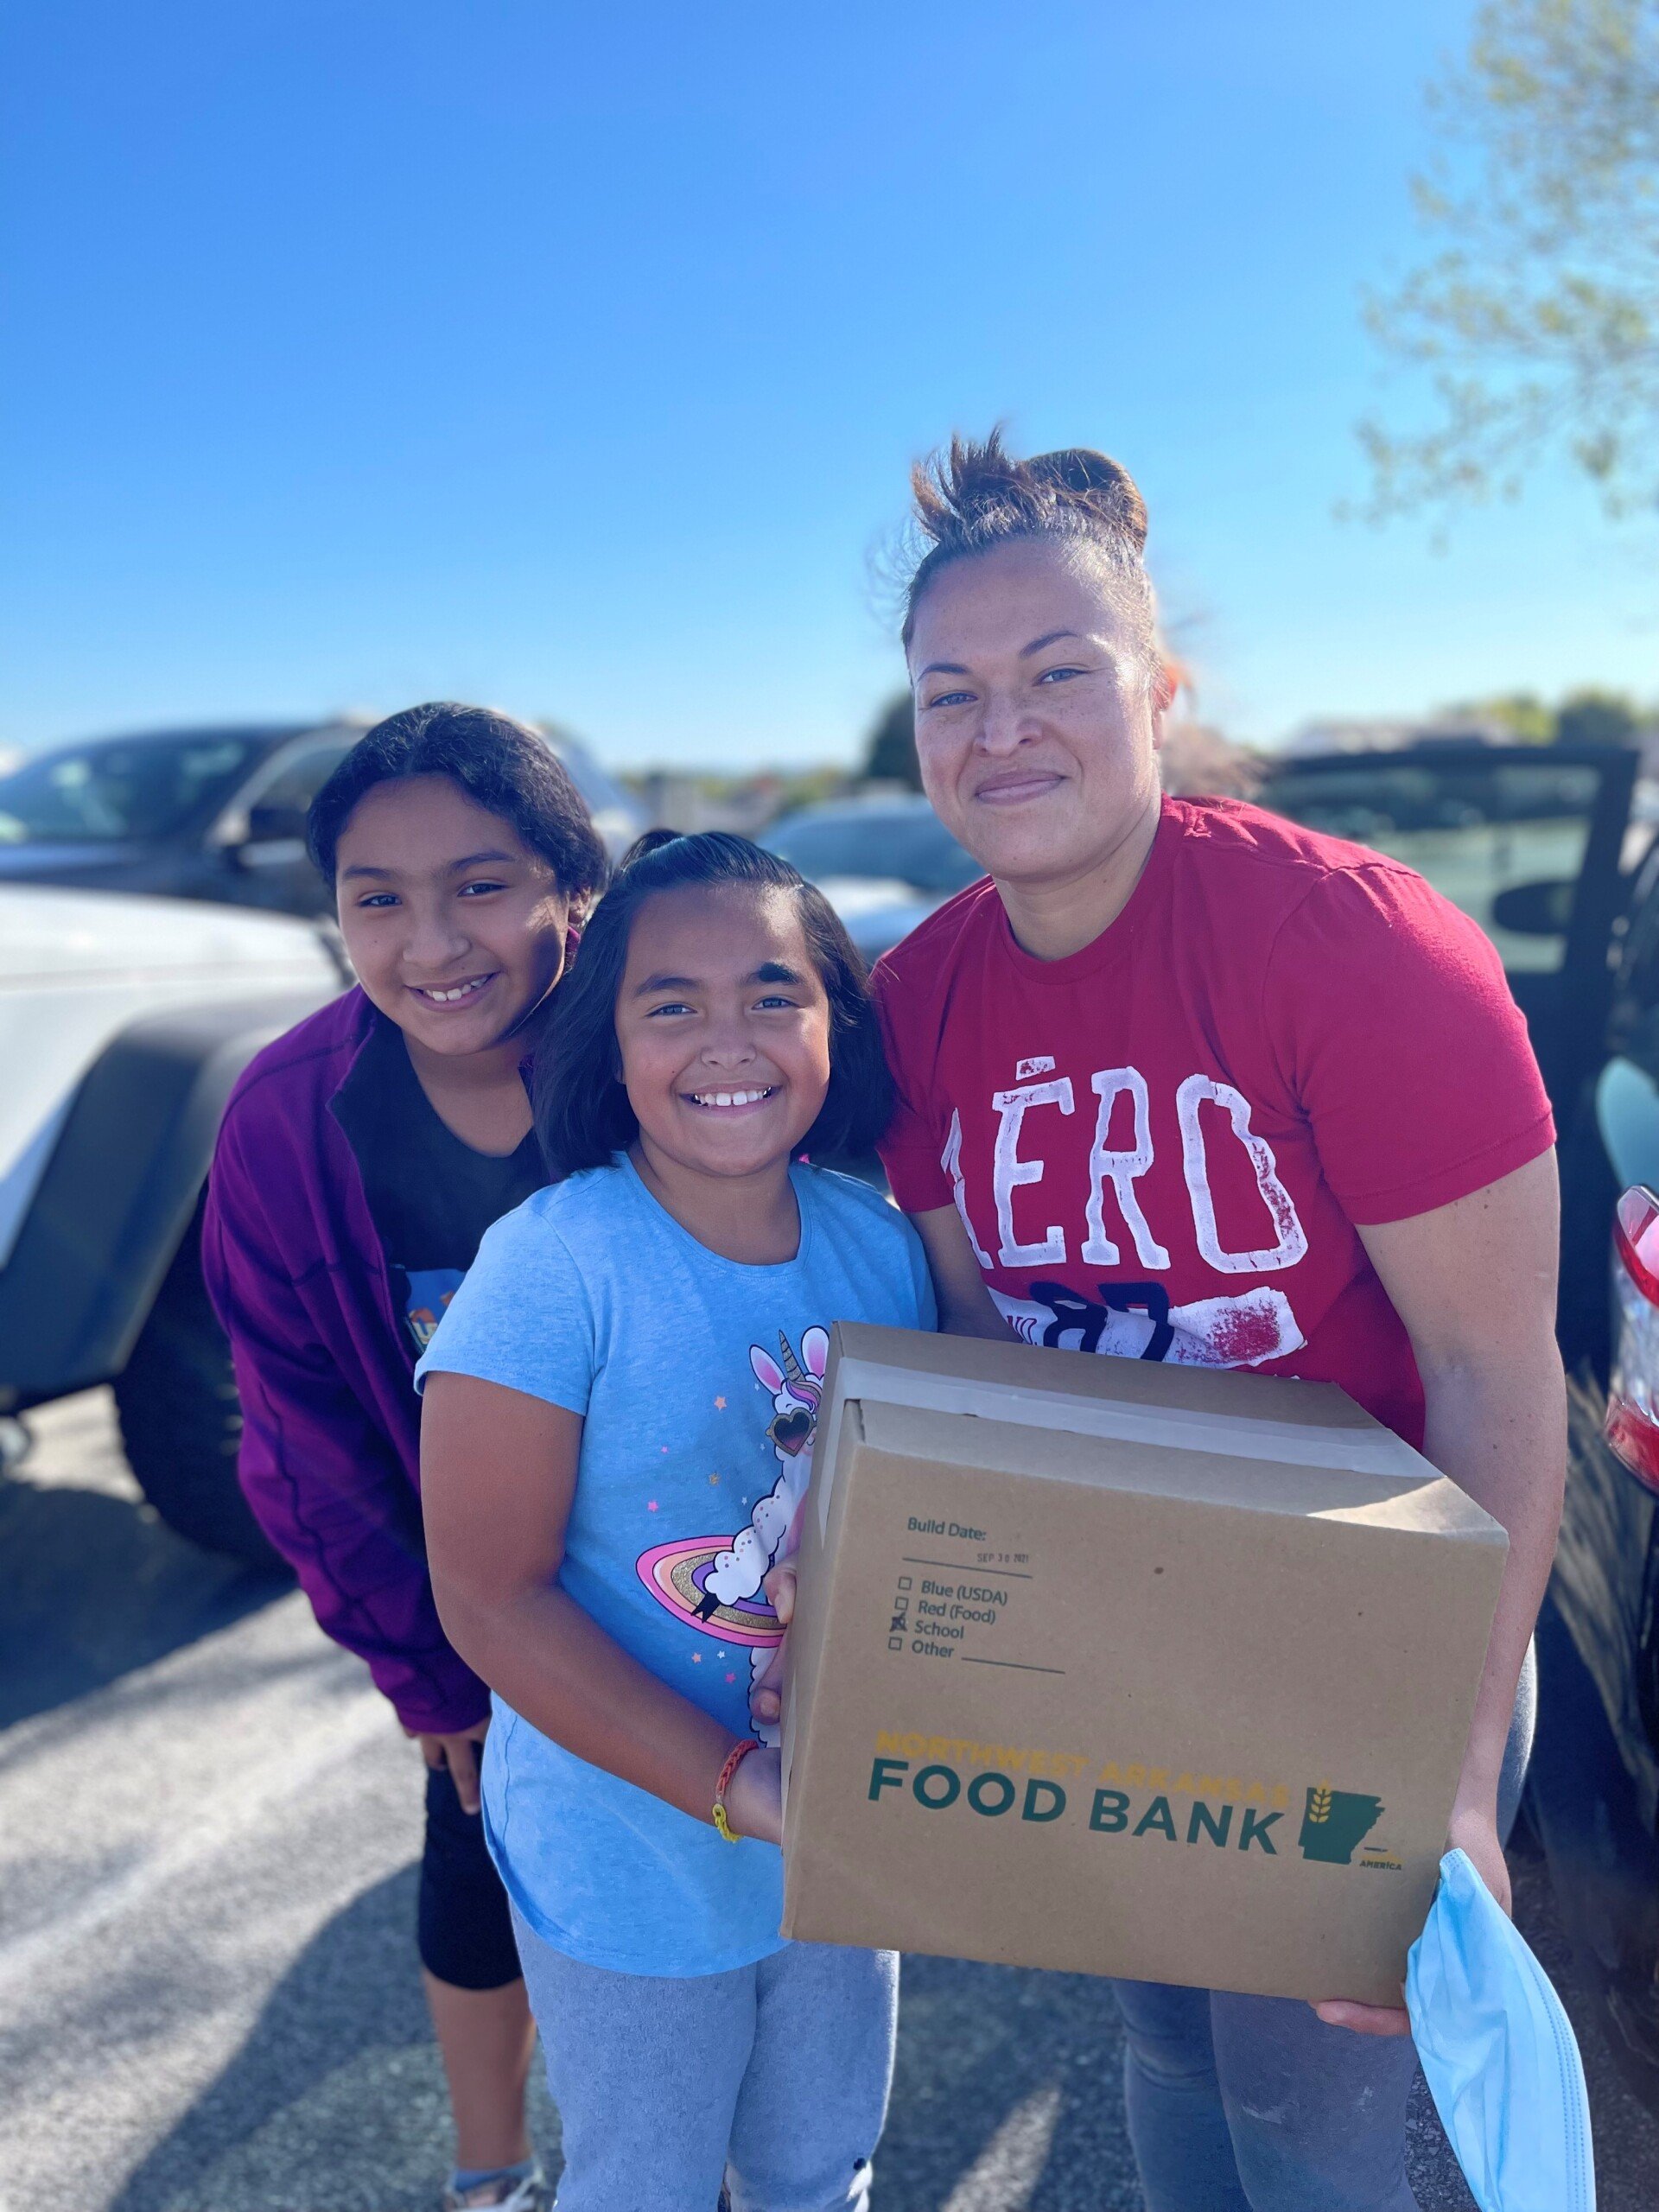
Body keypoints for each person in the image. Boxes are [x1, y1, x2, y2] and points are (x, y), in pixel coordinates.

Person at [760, 432, 1563, 2212]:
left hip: (1368, 1622)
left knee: (1312, 2118)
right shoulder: (927, 995)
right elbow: (983, 1360)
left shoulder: (1355, 945)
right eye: (950, 690)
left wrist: (1447, 1770)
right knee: (1170, 2048)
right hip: (1123, 1628)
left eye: (1061, 672)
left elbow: (1497, 1372)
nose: (1003, 727)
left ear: (1161, 688)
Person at [416, 831, 933, 2212]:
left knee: (821, 2169)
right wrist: (731, 1781)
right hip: (629, 1856)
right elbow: (489, 1597)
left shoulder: (882, 1247)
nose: (730, 1040)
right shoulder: (554, 1264)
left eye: (775, 994)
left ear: (835, 1017)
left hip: (834, 1839)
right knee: (640, 2181)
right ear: (613, 1040)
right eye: (672, 1004)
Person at [202, 702, 607, 2212]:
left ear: (577, 891)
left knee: (718, 1892)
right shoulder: (286, 1123)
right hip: (479, 1617)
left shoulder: (662, 1058)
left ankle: (720, 2150)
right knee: (477, 1872)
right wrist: (429, 1671)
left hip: (700, 1585)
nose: (433, 941)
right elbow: (300, 1433)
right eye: (378, 898)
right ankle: (490, 2166)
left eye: (482, 885)